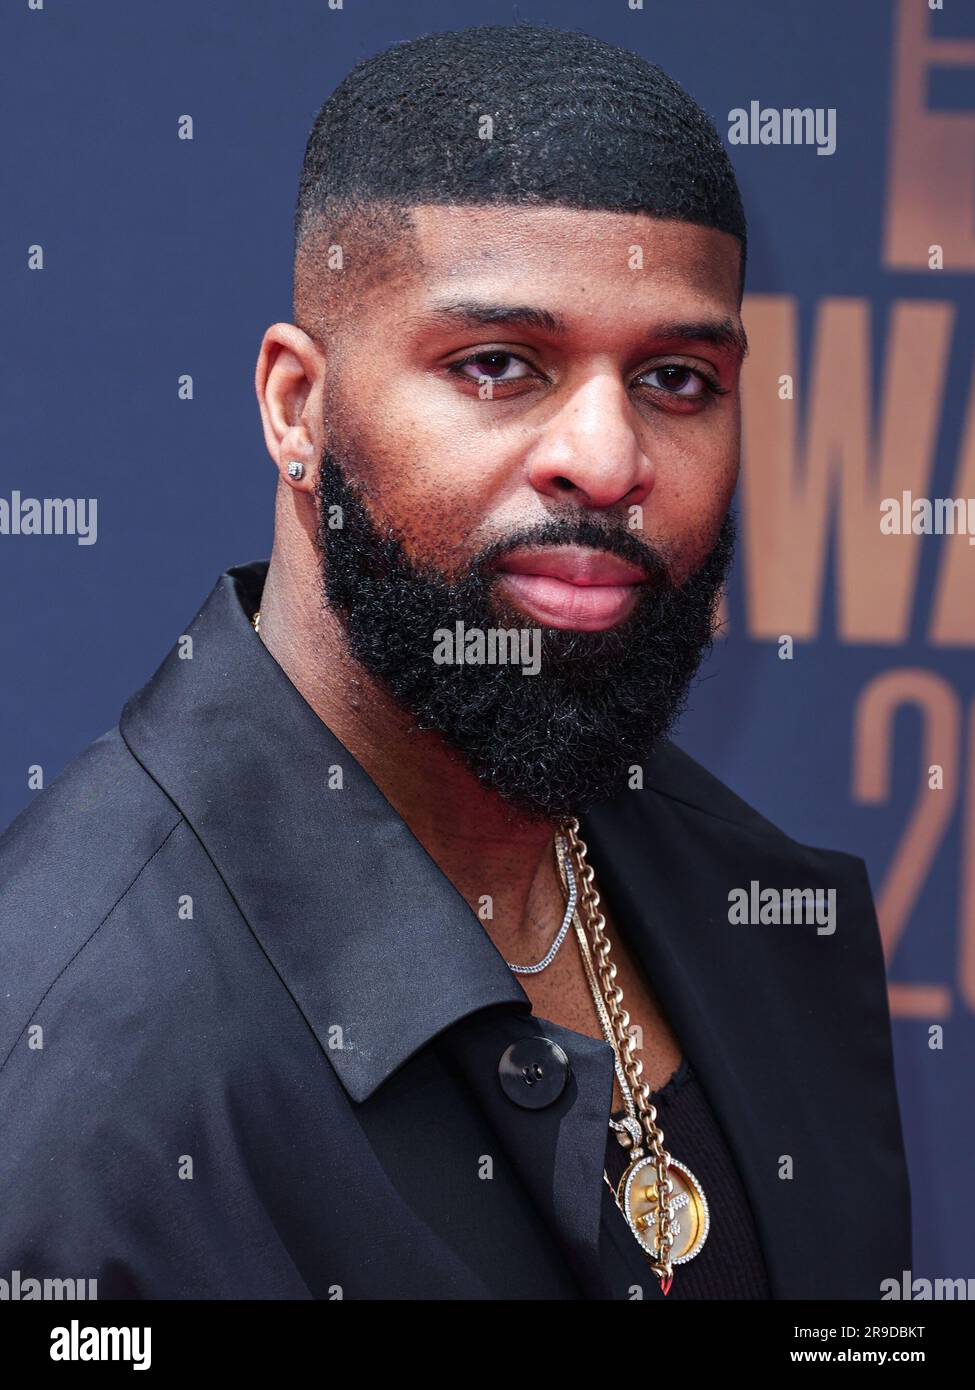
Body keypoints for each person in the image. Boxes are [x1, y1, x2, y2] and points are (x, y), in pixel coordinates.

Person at [0, 23, 910, 1300]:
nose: (606, 458)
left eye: (676, 378)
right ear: (295, 408)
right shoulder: (67, 1060)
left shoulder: (776, 919)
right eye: (498, 366)